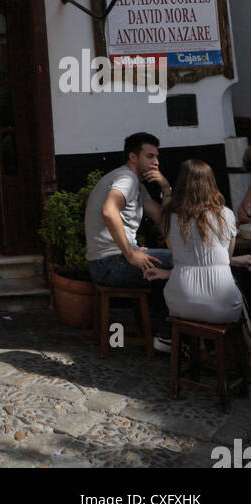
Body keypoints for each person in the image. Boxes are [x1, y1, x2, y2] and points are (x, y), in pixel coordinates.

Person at [84, 131, 173, 350]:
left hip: (107, 261)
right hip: (110, 264)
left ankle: (163, 333)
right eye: (150, 156)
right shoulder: (127, 179)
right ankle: (166, 335)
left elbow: (163, 217)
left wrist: (166, 187)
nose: (156, 162)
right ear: (134, 157)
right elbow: (108, 211)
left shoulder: (136, 184)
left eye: (157, 157)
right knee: (183, 261)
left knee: (176, 262)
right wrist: (130, 254)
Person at [143, 160, 251, 324]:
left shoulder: (170, 219)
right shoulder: (226, 215)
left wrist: (167, 273)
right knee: (241, 298)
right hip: (222, 307)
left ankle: (193, 345)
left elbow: (181, 259)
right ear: (211, 183)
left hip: (181, 302)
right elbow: (226, 258)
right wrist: (235, 261)